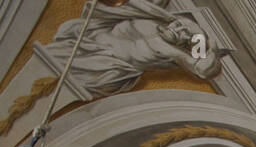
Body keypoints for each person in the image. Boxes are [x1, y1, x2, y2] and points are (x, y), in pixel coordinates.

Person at [42, 0, 225, 98]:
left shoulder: (166, 49)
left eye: (185, 32)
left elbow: (201, 69)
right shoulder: (151, 18)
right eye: (179, 24)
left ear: (186, 43)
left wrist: (213, 51)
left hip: (99, 67)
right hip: (83, 43)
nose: (178, 28)